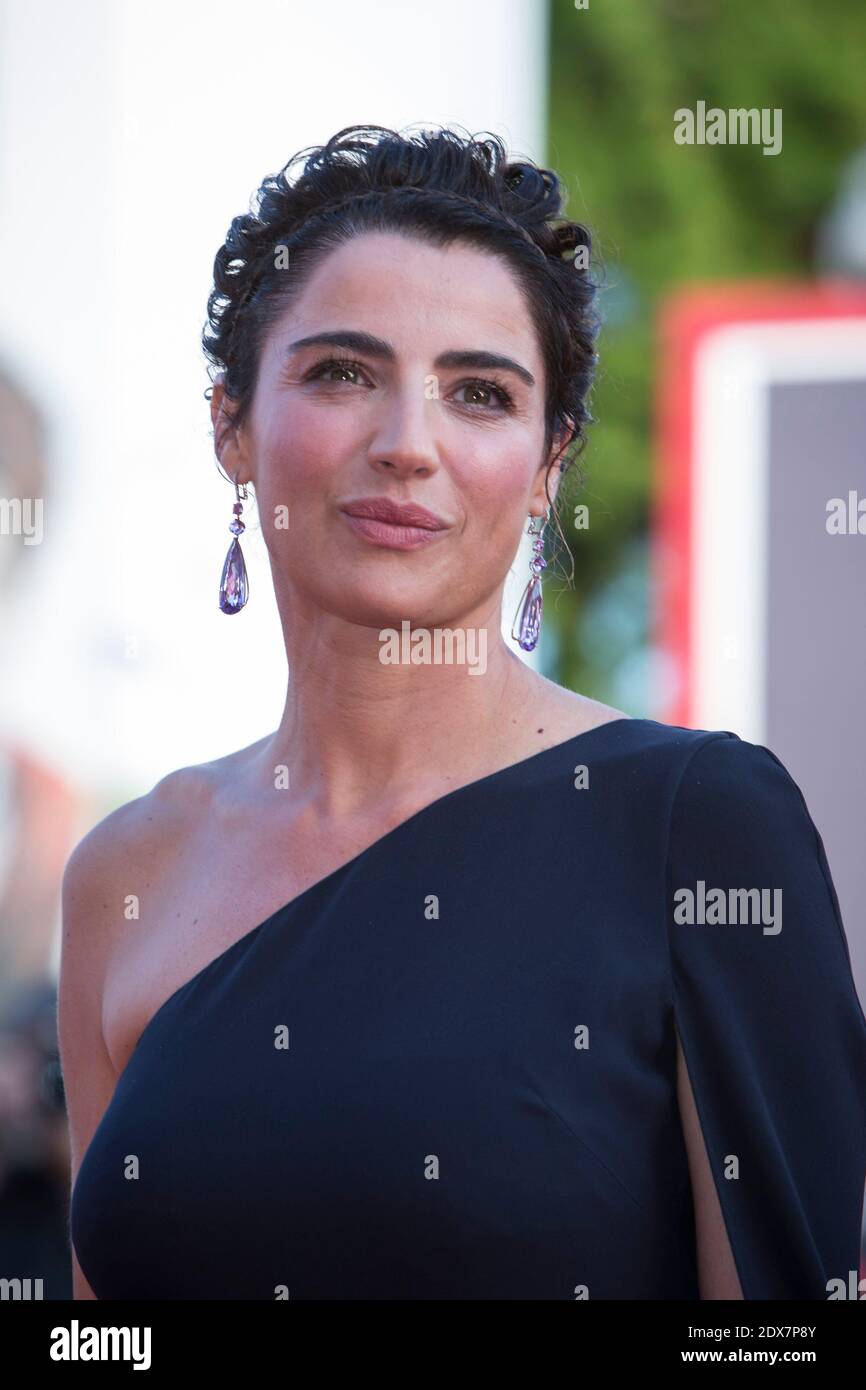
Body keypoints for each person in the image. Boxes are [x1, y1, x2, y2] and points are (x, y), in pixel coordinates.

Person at [60, 124, 866, 1301]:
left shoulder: (695, 824)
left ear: (547, 465)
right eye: (341, 372)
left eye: (478, 394)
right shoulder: (127, 870)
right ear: (230, 423)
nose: (406, 445)